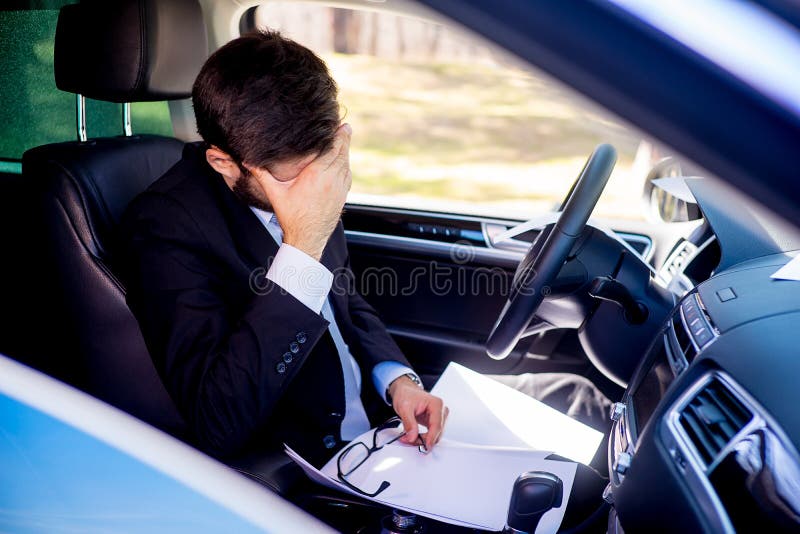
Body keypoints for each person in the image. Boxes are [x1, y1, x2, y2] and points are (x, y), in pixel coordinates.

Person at [120, 30, 447, 467]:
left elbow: (343, 300)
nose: (317, 187)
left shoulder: (313, 172)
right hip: (304, 466)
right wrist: (302, 246)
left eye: (323, 162)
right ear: (223, 163)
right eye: (292, 177)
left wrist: (397, 380)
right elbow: (216, 420)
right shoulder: (166, 226)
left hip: (380, 432)